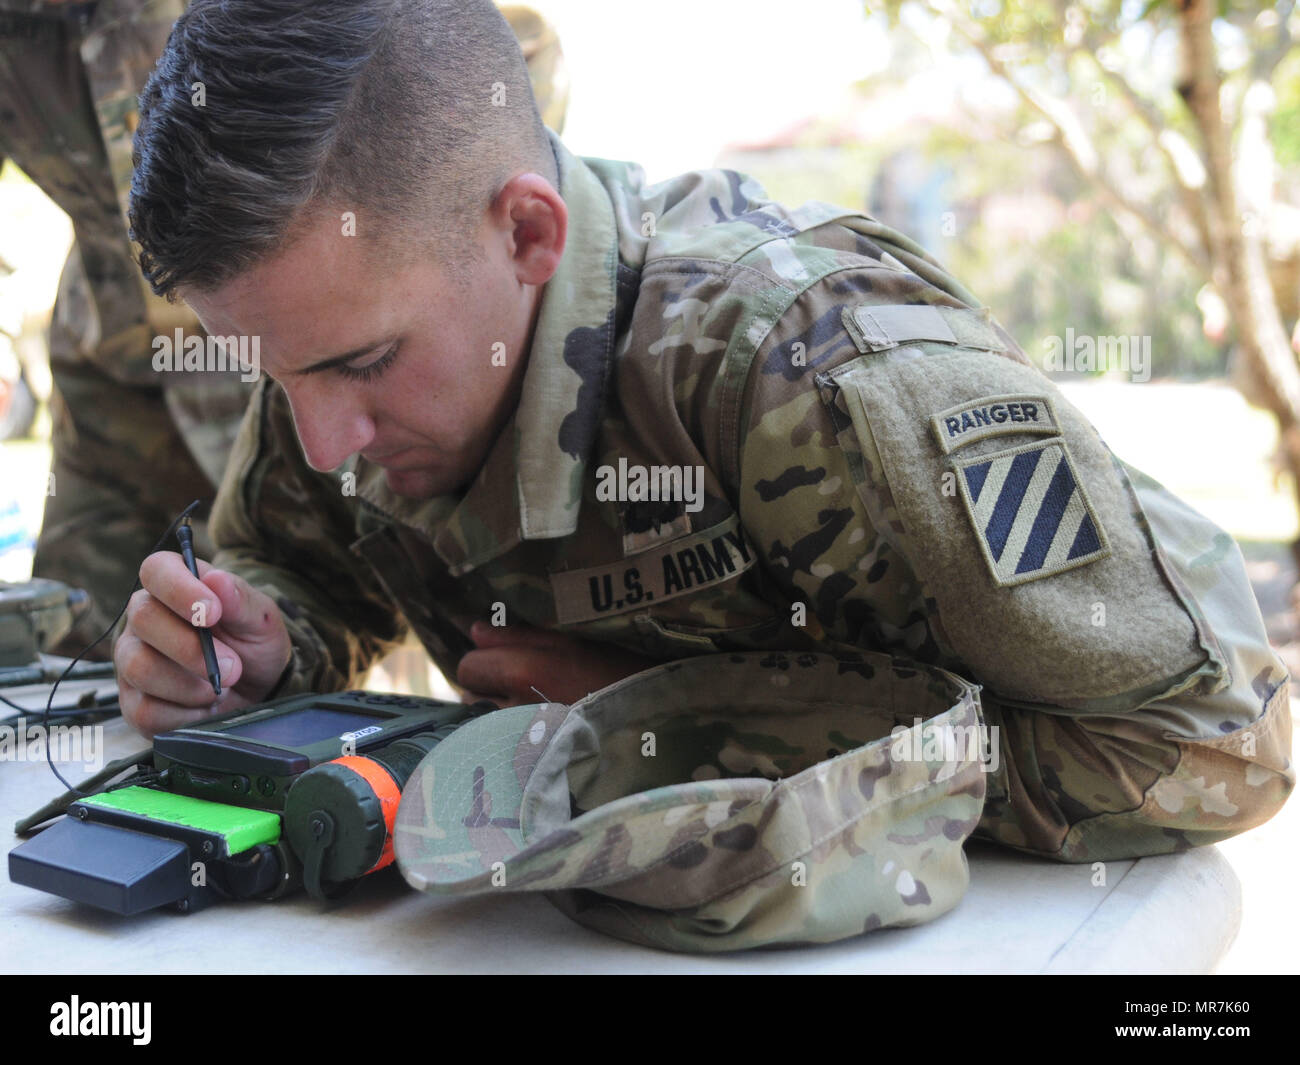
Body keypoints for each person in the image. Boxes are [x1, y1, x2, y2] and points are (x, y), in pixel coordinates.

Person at [115, 0, 1291, 890]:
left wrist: (670, 729)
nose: (324, 443)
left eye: (362, 366)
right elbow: (299, 567)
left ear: (527, 234)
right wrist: (259, 649)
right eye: (274, 374)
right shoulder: (335, 337)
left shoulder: (813, 373)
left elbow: (1207, 749)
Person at [0, 0, 566, 656]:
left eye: (369, 358)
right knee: (89, 653)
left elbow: (487, 50)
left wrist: (423, 232)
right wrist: (260, 666)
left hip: (330, 336)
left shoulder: (669, 366)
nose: (322, 450)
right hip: (126, 372)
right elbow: (301, 593)